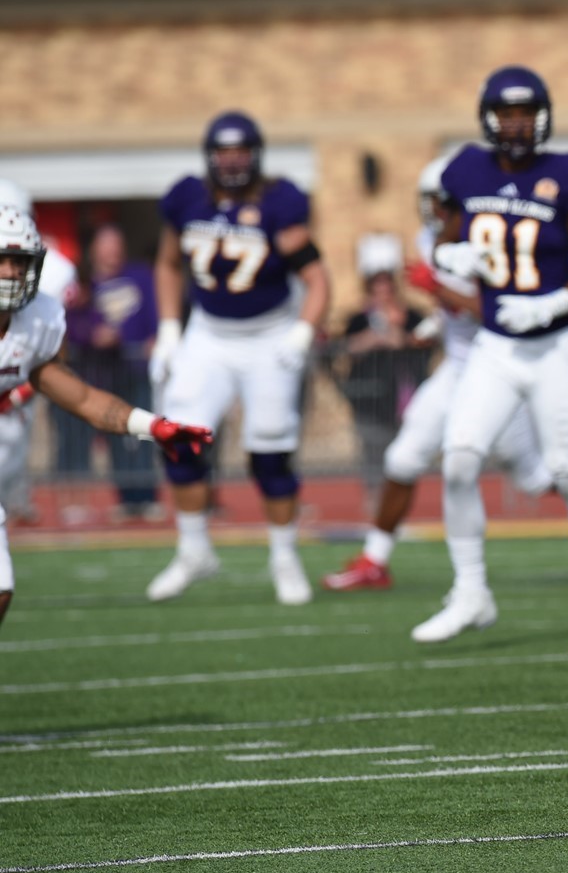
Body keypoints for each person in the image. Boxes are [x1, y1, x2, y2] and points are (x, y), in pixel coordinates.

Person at [322, 157, 568, 595]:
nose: (436, 210)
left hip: (497, 366)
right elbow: (454, 312)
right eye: (430, 201)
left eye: (441, 201)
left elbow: (499, 313)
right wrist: (431, 324)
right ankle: (375, 559)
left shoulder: (494, 235)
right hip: (457, 369)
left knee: (537, 476)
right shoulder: (434, 241)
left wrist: (436, 288)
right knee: (402, 459)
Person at [410, 65, 568, 647]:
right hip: (496, 347)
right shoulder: (465, 169)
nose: (516, 123)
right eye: (506, 113)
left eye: (525, 112)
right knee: (458, 460)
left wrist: (554, 300)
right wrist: (452, 259)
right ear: (488, 117)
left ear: (542, 116)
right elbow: (444, 240)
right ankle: (471, 593)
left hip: (554, 343)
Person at [145, 111, 329, 605]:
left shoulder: (279, 202)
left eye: (240, 151)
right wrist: (167, 330)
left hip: (268, 335)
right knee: (179, 438)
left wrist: (302, 333)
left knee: (269, 452)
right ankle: (194, 551)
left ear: (256, 155)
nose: (231, 161)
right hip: (208, 334)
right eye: (222, 151)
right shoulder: (187, 197)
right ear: (209, 155)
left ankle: (284, 559)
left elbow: (318, 279)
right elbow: (166, 263)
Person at [0, 206, 210, 628]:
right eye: (0, 261)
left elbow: (81, 398)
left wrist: (153, 427)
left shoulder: (37, 320)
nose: (9, 272)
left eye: (18, 261)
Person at [65, 223, 163, 521]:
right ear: (96, 249)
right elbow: (71, 323)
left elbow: (155, 313)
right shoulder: (85, 284)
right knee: (116, 433)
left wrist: (154, 338)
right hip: (103, 374)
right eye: (106, 246)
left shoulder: (139, 276)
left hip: (136, 369)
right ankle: (125, 496)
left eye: (116, 245)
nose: (112, 252)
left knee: (143, 431)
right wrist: (94, 334)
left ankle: (146, 497)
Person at [0, 178, 82, 524]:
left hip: (17, 374)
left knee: (12, 458)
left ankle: (16, 500)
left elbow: (55, 354)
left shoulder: (50, 276)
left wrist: (16, 394)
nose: (11, 271)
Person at [330, 233, 430, 493]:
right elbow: (342, 348)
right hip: (369, 399)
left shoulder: (411, 315)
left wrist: (398, 334)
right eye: (376, 283)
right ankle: (375, 506)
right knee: (374, 458)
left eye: (387, 282)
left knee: (404, 457)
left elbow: (425, 343)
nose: (382, 289)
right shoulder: (358, 319)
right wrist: (370, 338)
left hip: (405, 396)